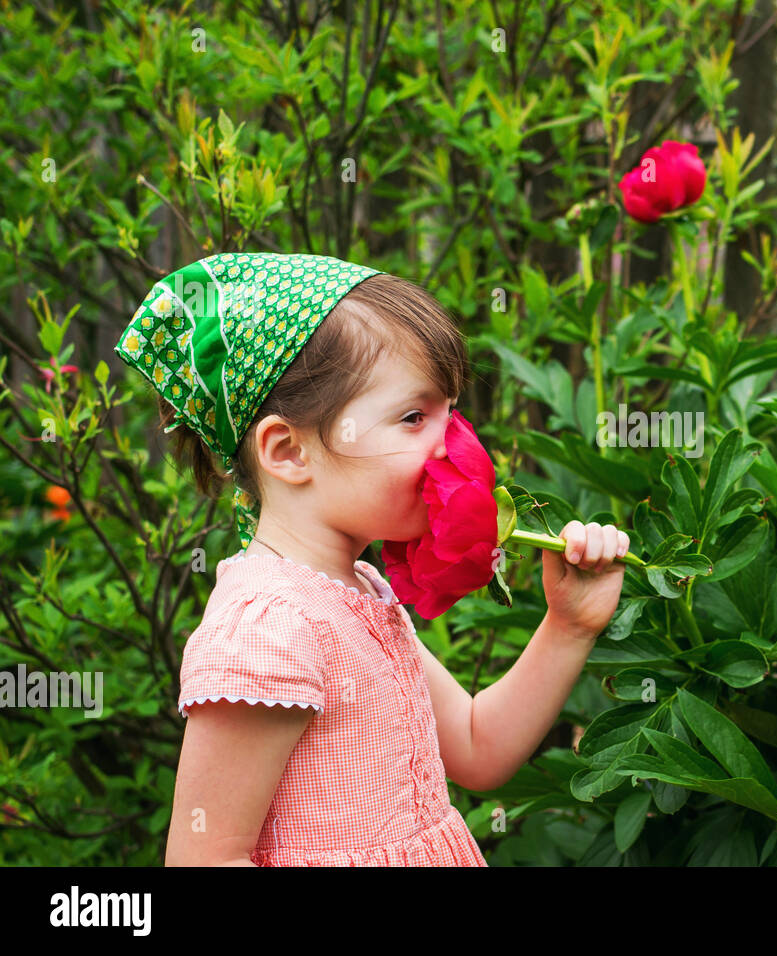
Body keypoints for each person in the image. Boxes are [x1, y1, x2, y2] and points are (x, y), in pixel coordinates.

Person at [115, 252, 629, 866]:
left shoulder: (357, 590)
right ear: (288, 451)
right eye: (414, 417)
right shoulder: (268, 630)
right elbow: (204, 859)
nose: (450, 440)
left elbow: (477, 747)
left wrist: (569, 625)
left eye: (450, 411)